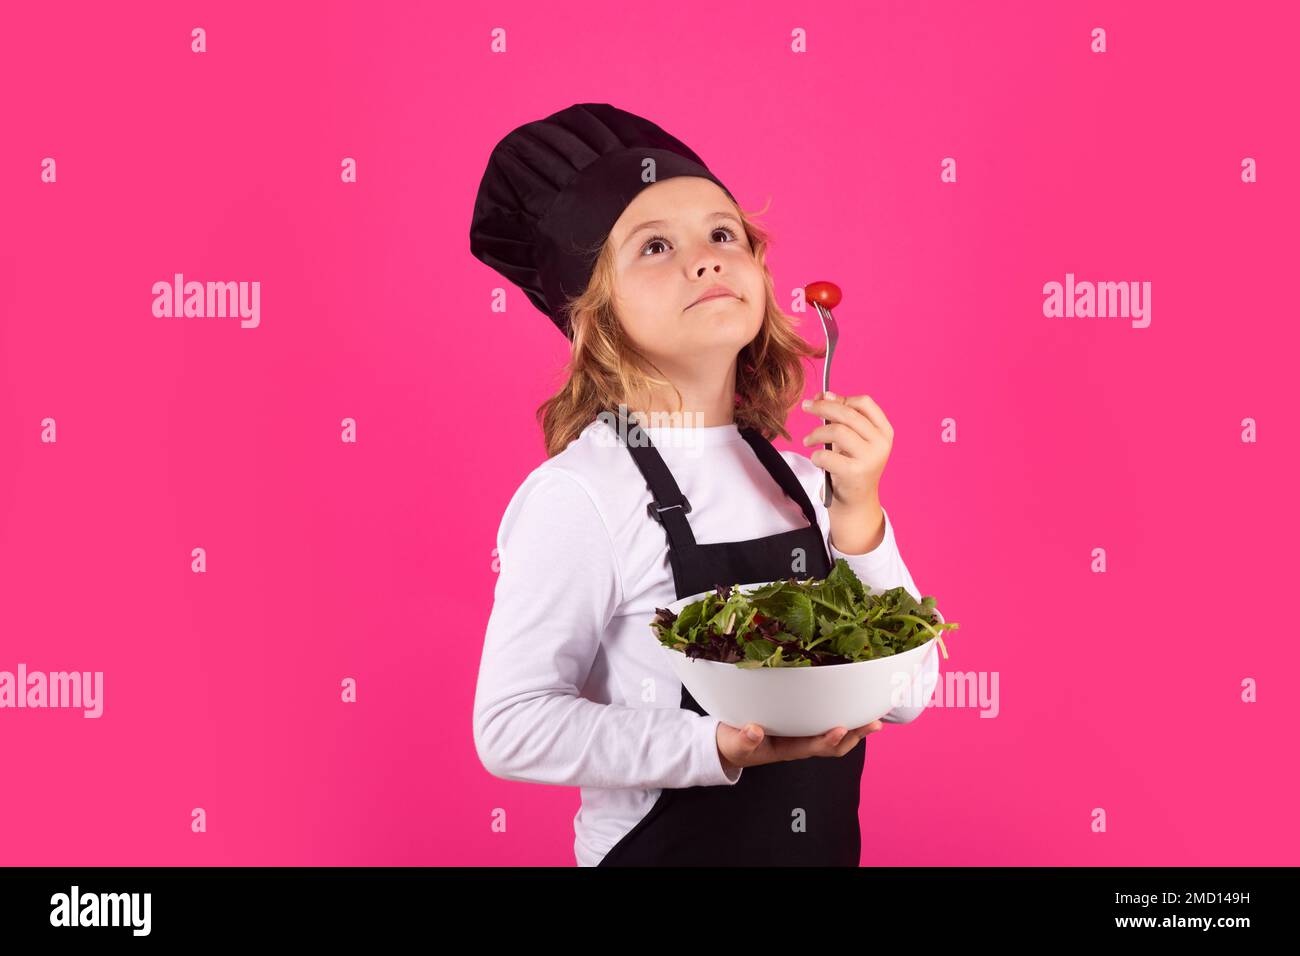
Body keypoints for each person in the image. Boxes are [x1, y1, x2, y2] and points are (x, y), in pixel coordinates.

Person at [469, 103, 940, 866]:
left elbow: (909, 693)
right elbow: (511, 725)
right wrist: (714, 745)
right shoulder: (583, 493)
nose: (707, 260)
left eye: (724, 235)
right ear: (595, 315)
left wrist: (861, 515)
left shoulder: (804, 479)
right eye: (655, 246)